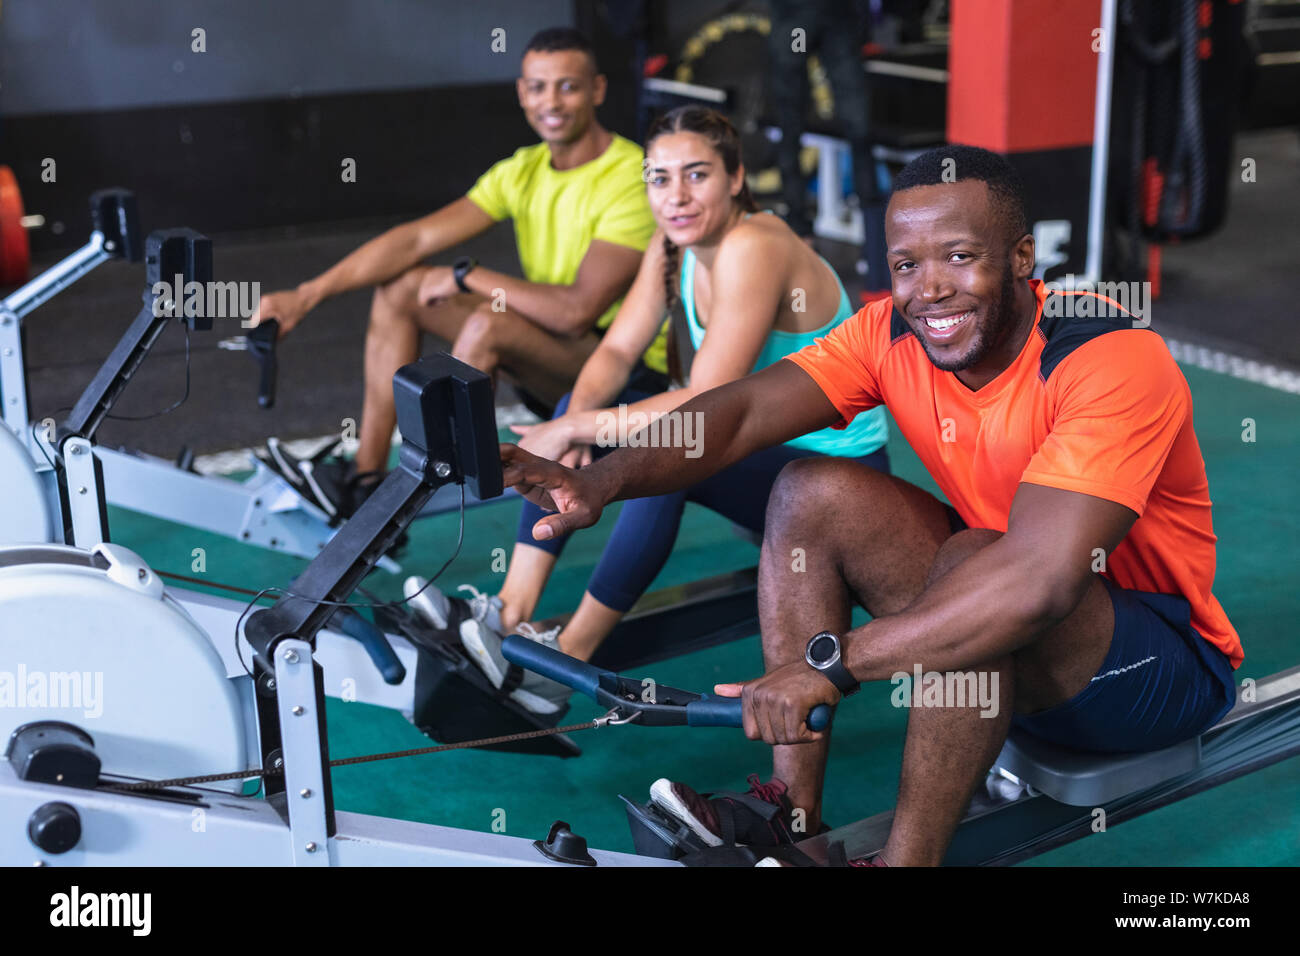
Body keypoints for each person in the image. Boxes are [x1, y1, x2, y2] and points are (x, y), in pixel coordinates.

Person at [498, 145, 1243, 865]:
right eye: (906, 265)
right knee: (810, 488)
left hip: (1160, 666)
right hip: (1008, 607)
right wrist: (602, 480)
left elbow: (1038, 583)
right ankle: (785, 813)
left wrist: (832, 664)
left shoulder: (1102, 355)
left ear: (1021, 259)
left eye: (960, 256)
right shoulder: (890, 331)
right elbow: (738, 417)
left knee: (979, 560)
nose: (931, 289)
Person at [408, 106, 889, 716]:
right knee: (581, 405)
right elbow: (614, 349)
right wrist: (573, 419)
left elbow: (708, 403)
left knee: (673, 450)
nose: (676, 196)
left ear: (736, 178)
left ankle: (568, 659)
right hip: (764, 453)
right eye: (660, 179)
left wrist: (581, 426)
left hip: (838, 481)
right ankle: (508, 616)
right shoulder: (675, 241)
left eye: (696, 175)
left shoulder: (756, 245)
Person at [250, 27, 666, 520]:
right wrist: (306, 294)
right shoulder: (524, 169)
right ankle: (364, 484)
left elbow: (575, 313)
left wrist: (468, 275)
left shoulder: (630, 176)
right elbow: (414, 240)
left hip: (623, 379)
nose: (550, 101)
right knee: (404, 287)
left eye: (568, 86)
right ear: (521, 92)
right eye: (537, 86)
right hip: (546, 359)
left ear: (597, 90)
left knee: (487, 323)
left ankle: (425, 481)